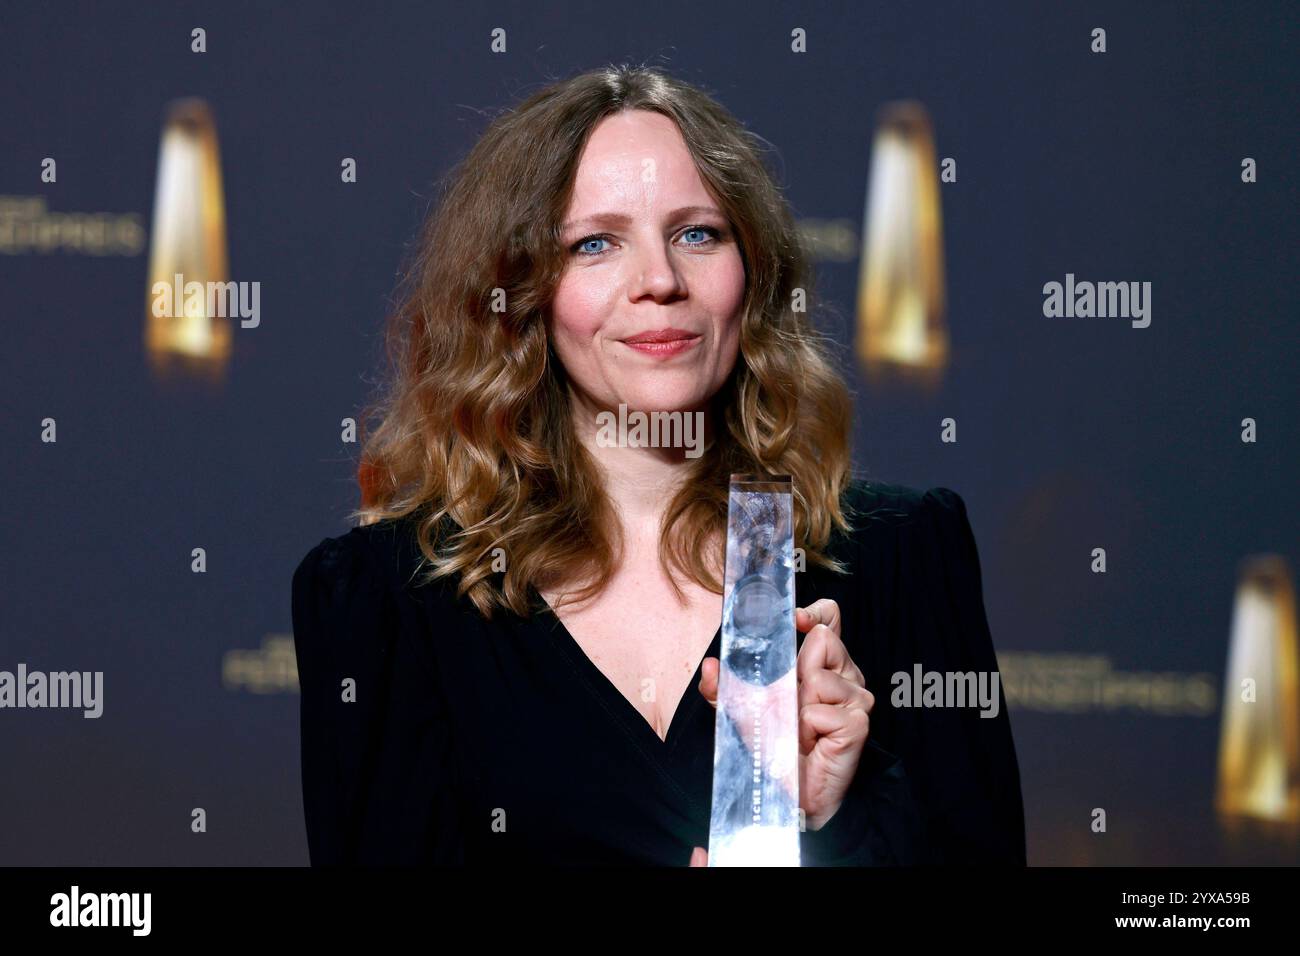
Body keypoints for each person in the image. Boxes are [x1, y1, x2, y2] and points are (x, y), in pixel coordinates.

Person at [291, 64, 1026, 866]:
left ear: (753, 271)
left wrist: (834, 815)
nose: (661, 281)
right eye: (595, 244)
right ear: (520, 292)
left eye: (697, 234)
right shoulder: (386, 600)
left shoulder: (903, 556)